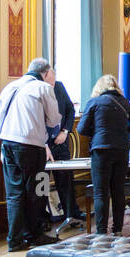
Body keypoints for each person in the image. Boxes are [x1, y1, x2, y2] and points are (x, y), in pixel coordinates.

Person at [0, 57, 62, 251]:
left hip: (7, 145)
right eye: (52, 76)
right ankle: (36, 234)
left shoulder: (10, 87)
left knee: (14, 194)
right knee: (39, 190)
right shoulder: (43, 88)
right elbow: (54, 119)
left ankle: (14, 240)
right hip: (33, 147)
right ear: (46, 73)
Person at [77, 74, 130, 236]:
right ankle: (118, 230)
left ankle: (101, 231)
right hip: (122, 149)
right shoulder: (123, 101)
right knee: (118, 190)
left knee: (100, 192)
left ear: (99, 88)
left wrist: (97, 131)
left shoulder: (94, 102)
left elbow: (81, 129)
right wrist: (122, 131)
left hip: (101, 149)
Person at [44, 67, 84, 227]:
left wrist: (65, 131)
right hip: (43, 144)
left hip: (60, 141)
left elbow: (69, 110)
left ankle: (71, 213)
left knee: (66, 179)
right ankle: (43, 217)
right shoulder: (38, 90)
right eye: (51, 78)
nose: (53, 81)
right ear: (45, 76)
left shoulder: (59, 86)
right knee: (42, 182)